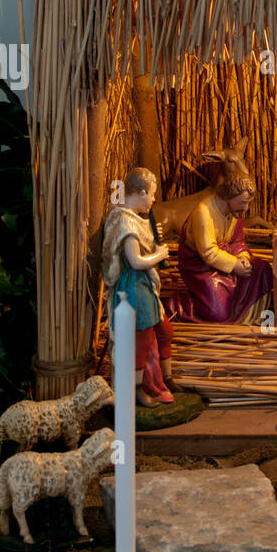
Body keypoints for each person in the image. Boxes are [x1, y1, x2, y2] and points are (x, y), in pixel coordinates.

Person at [102, 167, 174, 407]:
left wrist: (154, 241)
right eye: (151, 194)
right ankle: (134, 391)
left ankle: (166, 377)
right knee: (140, 340)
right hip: (133, 287)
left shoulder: (136, 219)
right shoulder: (125, 222)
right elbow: (135, 261)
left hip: (144, 286)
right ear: (142, 192)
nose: (153, 199)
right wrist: (159, 253)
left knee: (164, 331)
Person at [164, 174, 273, 325]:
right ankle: (181, 304)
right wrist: (235, 265)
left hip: (226, 260)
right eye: (243, 202)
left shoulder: (236, 212)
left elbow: (237, 241)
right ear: (229, 196)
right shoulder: (203, 212)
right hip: (201, 268)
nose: (246, 208)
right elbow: (208, 253)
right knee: (217, 313)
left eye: (247, 203)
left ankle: (247, 317)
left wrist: (243, 259)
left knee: (262, 270)